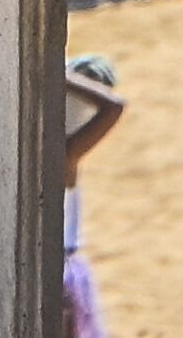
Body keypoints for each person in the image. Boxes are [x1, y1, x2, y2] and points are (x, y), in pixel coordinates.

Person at [62, 52, 122, 338]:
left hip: (59, 272)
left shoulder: (63, 153)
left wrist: (57, 77)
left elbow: (114, 108)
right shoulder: (62, 150)